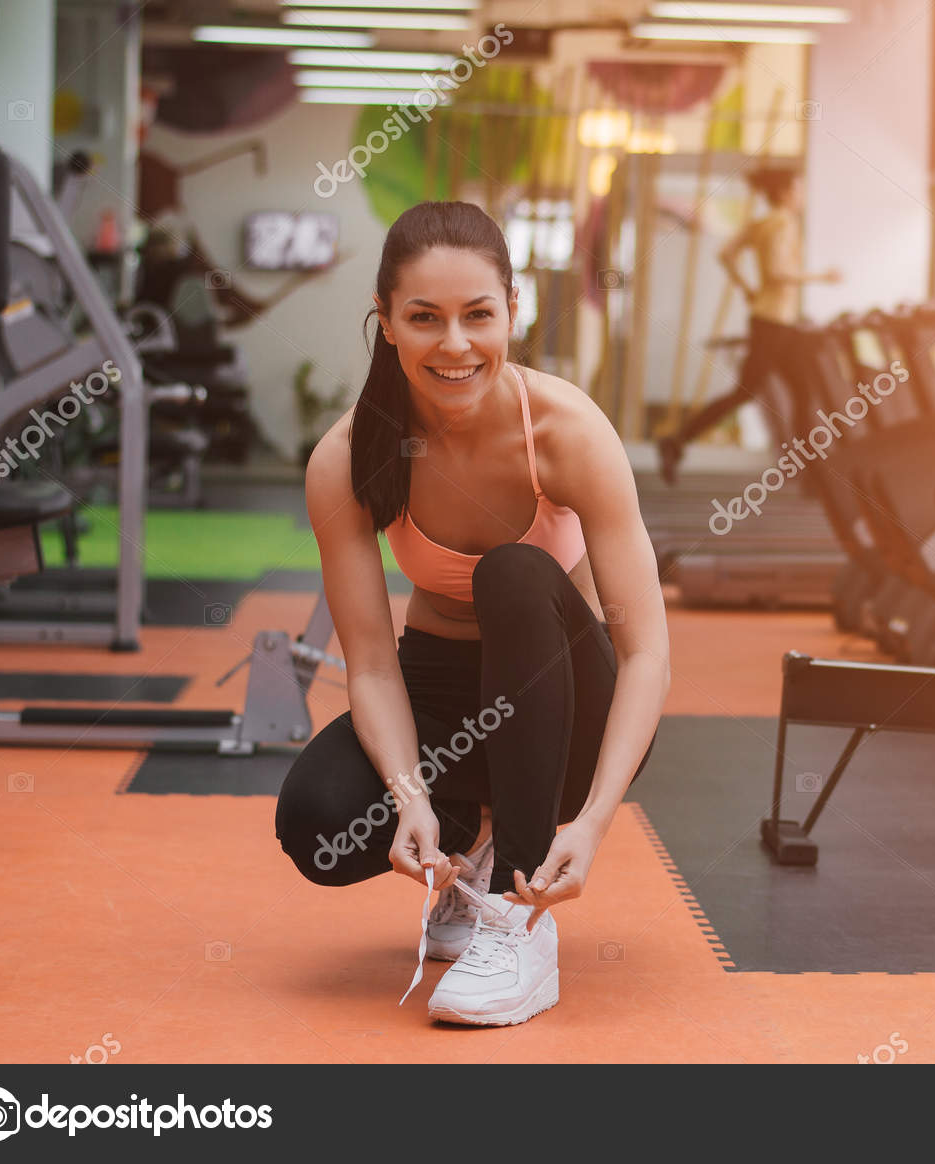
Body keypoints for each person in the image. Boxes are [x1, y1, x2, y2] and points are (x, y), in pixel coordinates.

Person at [274, 201, 669, 1027]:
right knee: (321, 823)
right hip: (442, 695)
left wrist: (594, 823)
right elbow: (375, 664)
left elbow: (643, 655)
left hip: (566, 708)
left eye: (477, 315)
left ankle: (521, 918)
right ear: (385, 323)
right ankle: (467, 859)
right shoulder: (346, 458)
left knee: (515, 575)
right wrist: (408, 795)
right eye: (424, 318)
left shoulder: (566, 432)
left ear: (512, 312)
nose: (454, 345)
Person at [657, 166, 841, 484]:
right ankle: (677, 440)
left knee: (801, 388)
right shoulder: (783, 223)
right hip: (774, 323)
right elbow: (777, 273)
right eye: (797, 190)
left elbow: (726, 254)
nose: (801, 196)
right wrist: (821, 277)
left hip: (775, 321)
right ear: (784, 194)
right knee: (749, 392)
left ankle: (812, 471)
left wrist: (746, 288)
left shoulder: (761, 223)